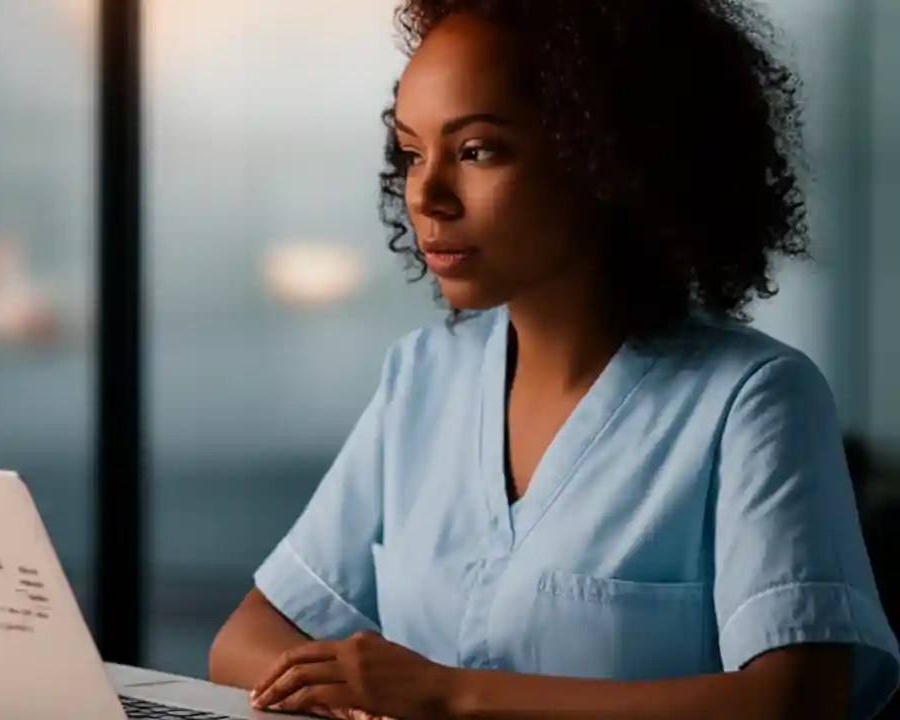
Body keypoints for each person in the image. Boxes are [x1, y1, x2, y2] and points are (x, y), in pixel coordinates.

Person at [207, 1, 900, 718]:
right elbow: (247, 637)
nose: (427, 194)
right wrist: (356, 695)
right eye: (413, 153)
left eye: (477, 151)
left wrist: (450, 694)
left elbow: (796, 699)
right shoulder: (423, 376)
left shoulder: (753, 399)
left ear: (607, 157)